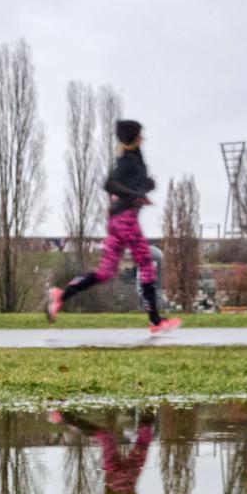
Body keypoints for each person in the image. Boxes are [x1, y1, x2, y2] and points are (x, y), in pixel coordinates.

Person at [46, 119, 181, 334]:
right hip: (125, 220)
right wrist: (136, 196)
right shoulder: (126, 160)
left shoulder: (134, 159)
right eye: (139, 134)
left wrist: (147, 185)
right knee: (146, 263)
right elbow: (109, 184)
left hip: (118, 221)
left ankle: (60, 297)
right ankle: (156, 321)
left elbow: (132, 184)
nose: (142, 137)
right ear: (134, 138)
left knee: (105, 272)